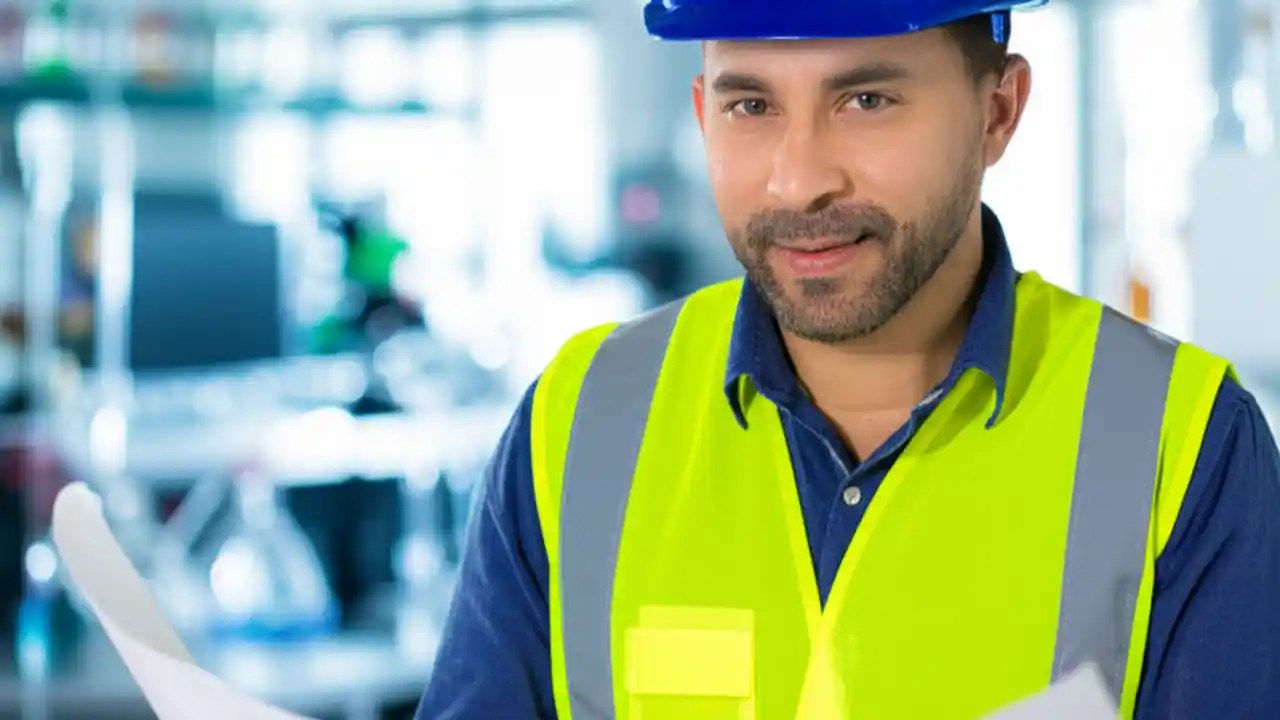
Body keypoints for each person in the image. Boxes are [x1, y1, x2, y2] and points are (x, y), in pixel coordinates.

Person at [416, 1, 1280, 718]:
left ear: (998, 113)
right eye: (750, 105)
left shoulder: (1181, 439)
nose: (799, 182)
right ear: (701, 113)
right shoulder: (582, 419)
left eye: (865, 100)